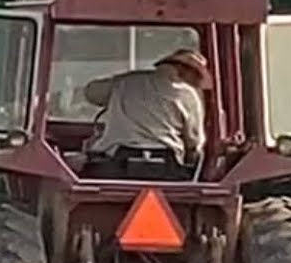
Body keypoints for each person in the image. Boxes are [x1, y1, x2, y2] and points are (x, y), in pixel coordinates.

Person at [81, 48, 210, 177]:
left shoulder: (125, 82)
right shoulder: (187, 94)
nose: (196, 82)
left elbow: (91, 93)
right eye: (196, 76)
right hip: (167, 166)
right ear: (185, 69)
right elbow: (194, 141)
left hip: (117, 163)